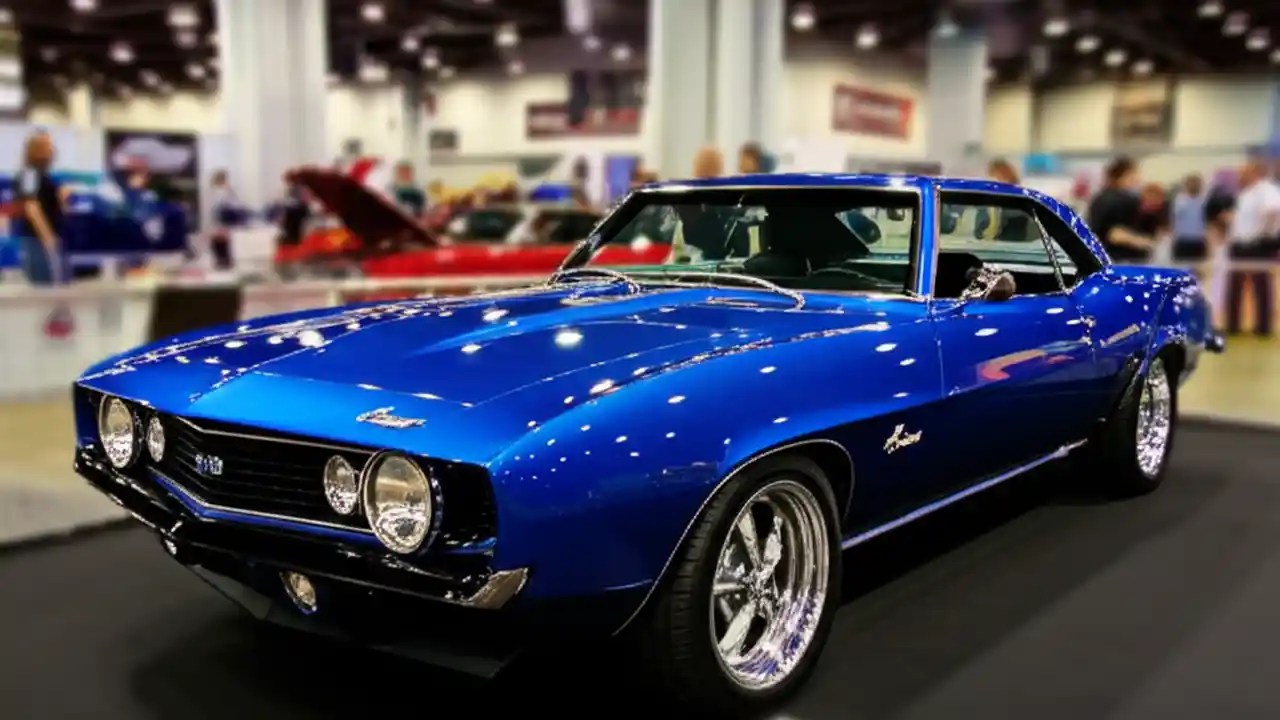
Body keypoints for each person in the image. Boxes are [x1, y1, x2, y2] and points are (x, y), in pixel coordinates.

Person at [1225, 159, 1280, 336]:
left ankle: (1263, 326)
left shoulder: (1267, 190)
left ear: (1254, 173)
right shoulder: (1244, 193)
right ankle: (1233, 325)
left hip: (1256, 244)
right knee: (1235, 285)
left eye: (1244, 172)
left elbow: (1273, 211)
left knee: (1261, 285)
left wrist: (1262, 232)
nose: (1240, 176)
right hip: (1239, 244)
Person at [14, 131, 66, 285]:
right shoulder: (29, 174)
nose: (52, 150)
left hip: (46, 239)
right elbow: (31, 207)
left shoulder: (44, 175)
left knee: (54, 286)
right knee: (45, 288)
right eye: (48, 146)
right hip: (37, 241)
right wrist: (48, 238)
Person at [1087, 156, 1154, 262]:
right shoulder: (1119, 199)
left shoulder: (1101, 197)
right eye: (1134, 174)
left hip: (1103, 256)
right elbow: (1113, 234)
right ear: (1124, 176)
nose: (1138, 178)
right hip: (1121, 258)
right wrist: (1143, 242)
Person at [973, 159, 1028, 241]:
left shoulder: (1020, 204)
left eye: (1002, 176)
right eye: (994, 176)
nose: (997, 180)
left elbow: (1017, 233)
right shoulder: (984, 205)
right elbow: (978, 233)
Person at [208, 170, 243, 270]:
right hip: (222, 218)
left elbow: (220, 206)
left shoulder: (220, 191)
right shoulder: (223, 191)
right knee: (222, 239)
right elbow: (231, 205)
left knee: (220, 239)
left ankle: (222, 260)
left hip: (221, 218)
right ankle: (224, 260)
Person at [1171, 174, 1207, 261]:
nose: (1194, 186)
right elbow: (1172, 220)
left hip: (1199, 241)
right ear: (1186, 185)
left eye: (1197, 184)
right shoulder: (1179, 201)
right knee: (1181, 271)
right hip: (1182, 241)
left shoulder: (1203, 202)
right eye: (1192, 183)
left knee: (1198, 270)